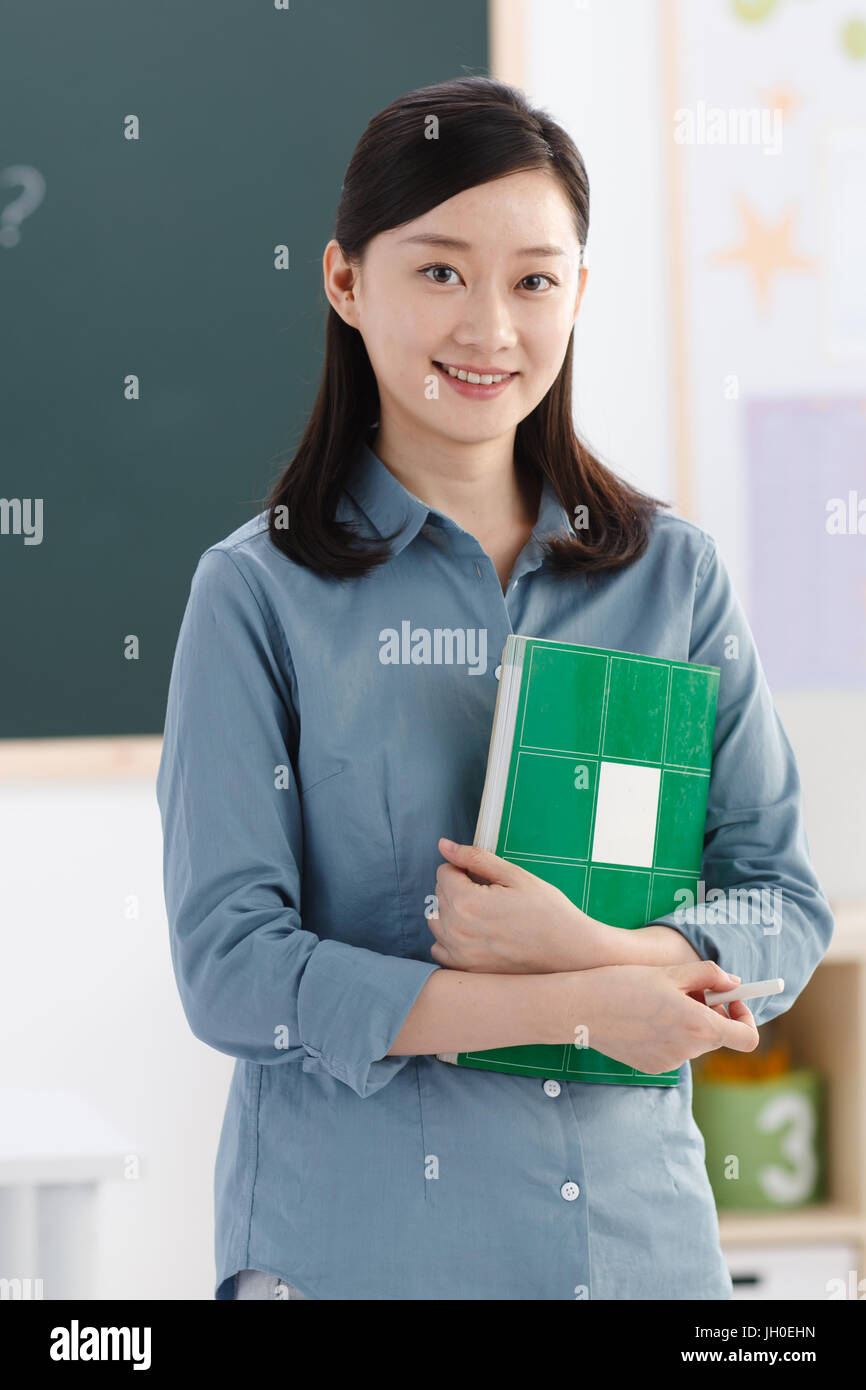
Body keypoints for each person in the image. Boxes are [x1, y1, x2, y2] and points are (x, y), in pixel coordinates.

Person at [156, 76, 834, 1301]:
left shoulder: (672, 576)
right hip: (353, 1260)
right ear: (345, 281)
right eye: (438, 272)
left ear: (578, 293)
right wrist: (580, 1003)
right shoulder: (253, 594)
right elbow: (233, 970)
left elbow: (781, 895)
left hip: (637, 1262)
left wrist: (605, 950)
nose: (488, 329)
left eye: (532, 278)